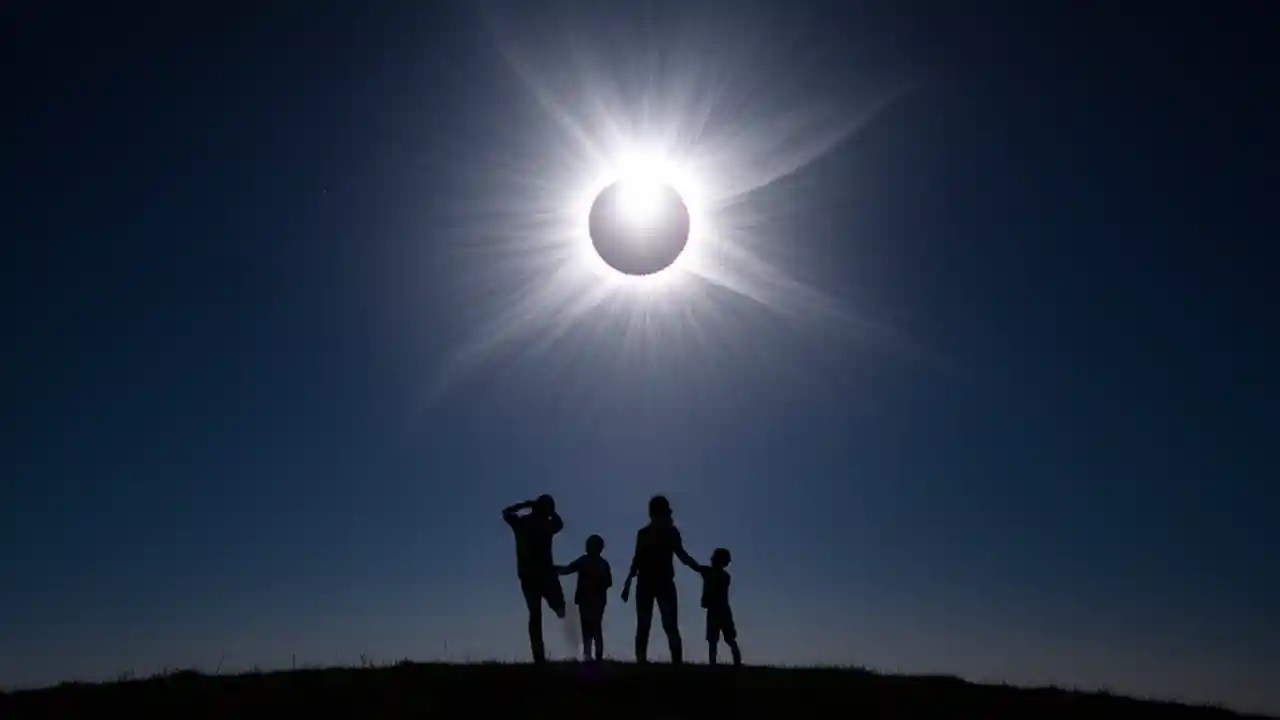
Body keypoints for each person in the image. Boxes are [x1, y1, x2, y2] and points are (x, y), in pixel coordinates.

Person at [620, 495, 699, 664]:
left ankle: (675, 661)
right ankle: (644, 660)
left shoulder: (669, 533)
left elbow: (682, 555)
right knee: (645, 624)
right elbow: (637, 559)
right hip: (648, 583)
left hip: (660, 583)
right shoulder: (647, 533)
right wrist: (628, 582)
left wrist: (699, 568)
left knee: (667, 624)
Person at [502, 494, 566, 663]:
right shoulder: (545, 523)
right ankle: (539, 656)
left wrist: (524, 504)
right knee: (546, 611)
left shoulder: (523, 523)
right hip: (541, 575)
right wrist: (551, 512)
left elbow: (506, 512)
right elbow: (559, 523)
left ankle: (538, 656)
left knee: (536, 614)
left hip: (531, 575)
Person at [555, 533, 612, 661]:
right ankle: (594, 656)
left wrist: (553, 569)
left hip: (589, 600)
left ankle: (590, 655)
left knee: (590, 628)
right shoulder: (602, 564)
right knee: (594, 627)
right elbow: (608, 583)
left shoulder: (585, 561)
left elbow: (568, 569)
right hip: (594, 600)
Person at [695, 547, 741, 666]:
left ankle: (716, 662)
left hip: (717, 609)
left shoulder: (713, 574)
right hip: (722, 609)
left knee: (716, 639)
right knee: (723, 638)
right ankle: (733, 660)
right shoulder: (723, 576)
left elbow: (696, 567)